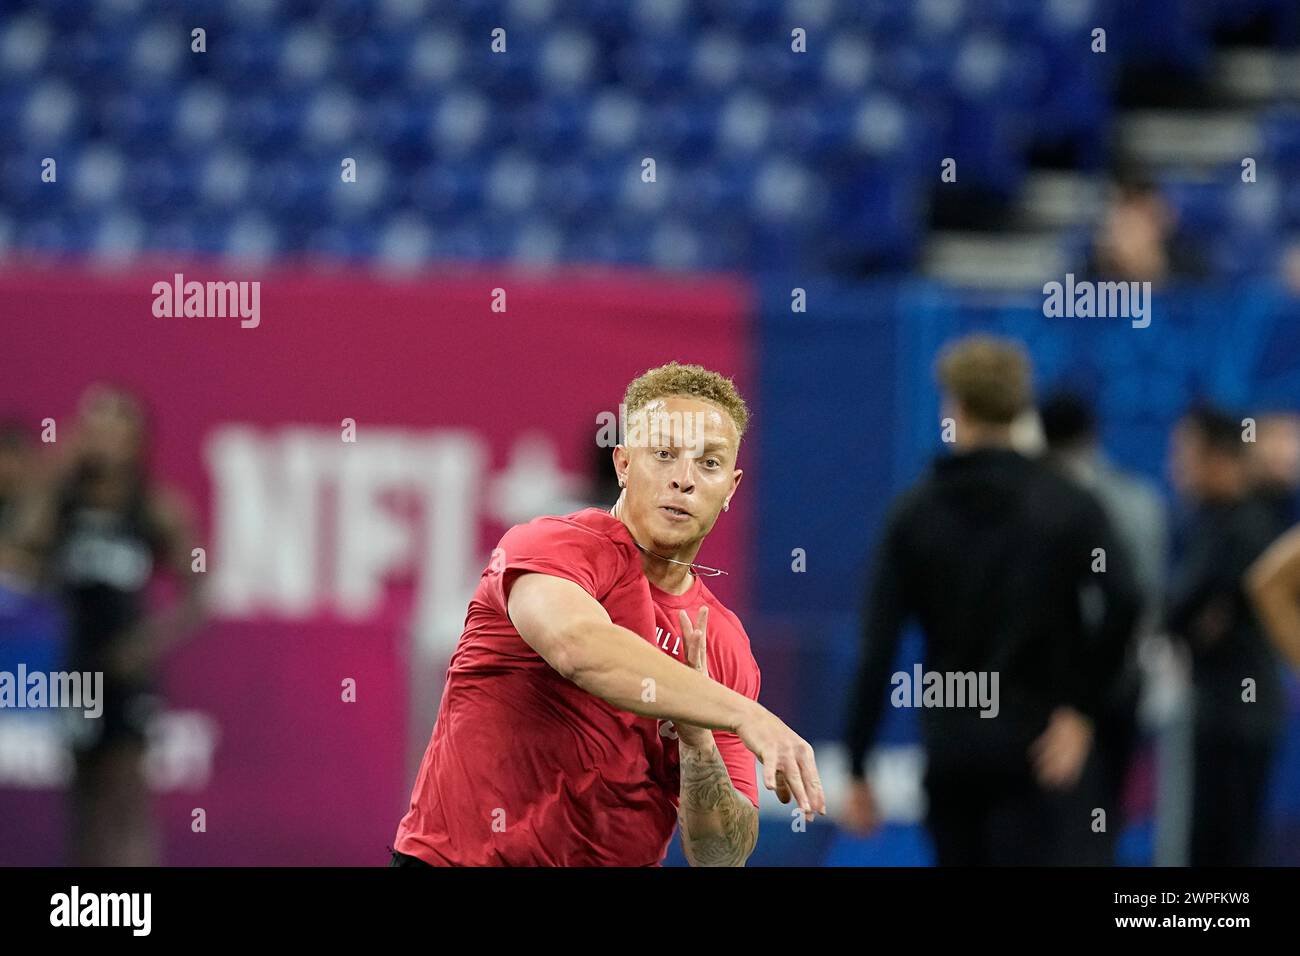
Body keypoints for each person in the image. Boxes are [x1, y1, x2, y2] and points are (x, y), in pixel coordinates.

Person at [392, 362, 824, 867]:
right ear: (623, 464)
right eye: (664, 455)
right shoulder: (554, 546)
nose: (684, 480)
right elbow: (578, 646)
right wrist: (738, 711)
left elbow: (718, 854)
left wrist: (698, 740)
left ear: (730, 488)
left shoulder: (722, 641)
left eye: (709, 464)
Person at [841, 336, 1139, 865]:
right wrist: (1081, 709)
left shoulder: (915, 513)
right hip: (1040, 750)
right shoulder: (1067, 503)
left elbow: (877, 646)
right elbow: (1126, 599)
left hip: (952, 751)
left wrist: (858, 764)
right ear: (1020, 407)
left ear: (954, 408)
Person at [10, 384, 204, 865]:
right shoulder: (63, 504)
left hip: (128, 670)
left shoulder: (155, 509)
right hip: (79, 664)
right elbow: (21, 551)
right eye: (94, 426)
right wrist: (61, 465)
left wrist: (147, 642)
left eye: (116, 428)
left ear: (138, 440)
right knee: (85, 792)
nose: (103, 439)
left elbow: (197, 594)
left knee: (126, 791)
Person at [1039, 392, 1168, 863]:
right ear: (1092, 434)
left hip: (1059, 690)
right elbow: (1146, 598)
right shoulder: (1143, 500)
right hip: (1124, 682)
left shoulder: (1044, 503)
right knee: (1103, 816)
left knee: (1057, 821)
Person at [1167, 405, 1286, 865]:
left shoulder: (1246, 528)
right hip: (1216, 709)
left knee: (1229, 848)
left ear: (1218, 457)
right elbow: (1183, 615)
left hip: (1240, 716)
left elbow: (1186, 609)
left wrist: (1193, 621)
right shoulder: (1208, 524)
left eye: (1186, 454)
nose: (1176, 468)